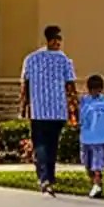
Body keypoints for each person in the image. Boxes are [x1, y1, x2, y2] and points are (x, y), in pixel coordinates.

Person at [19, 24, 77, 197]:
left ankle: (45, 178)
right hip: (55, 110)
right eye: (56, 39)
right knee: (49, 146)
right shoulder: (64, 60)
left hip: (41, 110)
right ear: (51, 40)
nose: (58, 43)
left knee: (43, 146)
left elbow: (25, 85)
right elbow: (70, 87)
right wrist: (74, 108)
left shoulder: (31, 59)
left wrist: (24, 106)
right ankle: (47, 178)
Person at [78, 74, 104, 199]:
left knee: (97, 164)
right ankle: (95, 182)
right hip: (87, 138)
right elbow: (81, 117)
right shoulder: (85, 101)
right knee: (88, 164)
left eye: (98, 89)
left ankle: (97, 183)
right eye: (93, 89)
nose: (96, 92)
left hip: (101, 138)